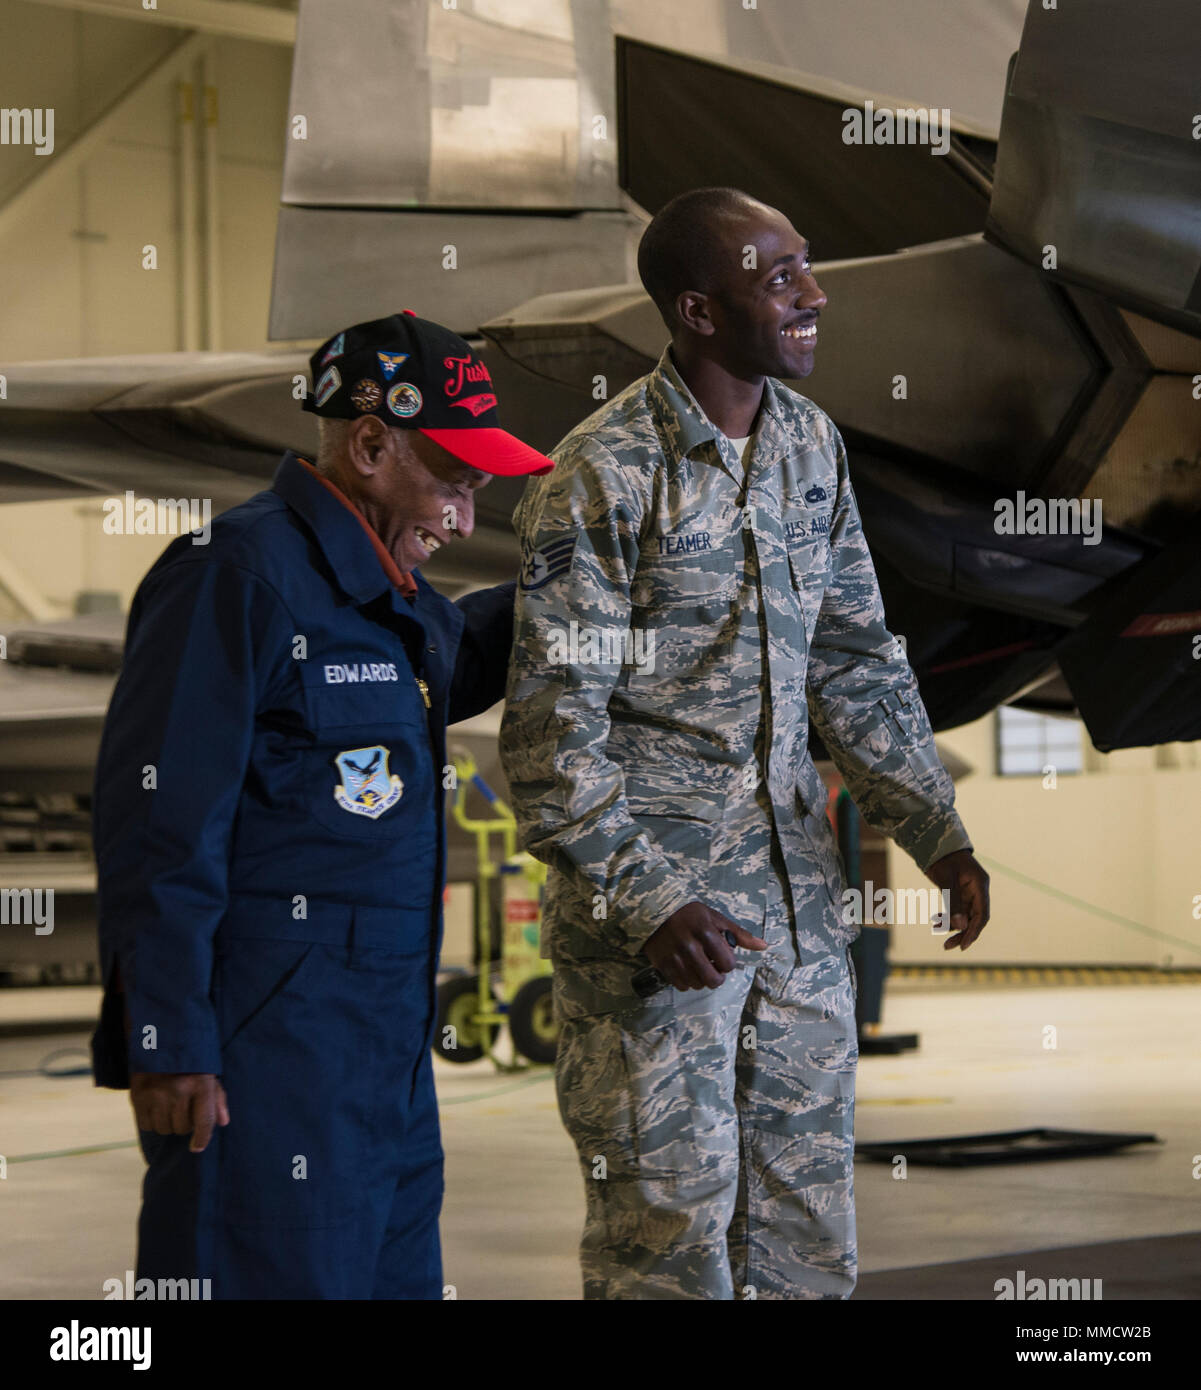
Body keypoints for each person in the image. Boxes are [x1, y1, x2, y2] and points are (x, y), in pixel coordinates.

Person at [499, 188, 991, 1300]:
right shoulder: (605, 471)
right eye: (778, 277)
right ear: (698, 310)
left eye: (804, 266)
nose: (812, 295)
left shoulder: (809, 447)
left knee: (806, 1228)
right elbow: (546, 734)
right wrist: (646, 902)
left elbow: (855, 658)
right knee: (665, 1241)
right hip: (660, 935)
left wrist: (936, 831)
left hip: (798, 915)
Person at [91, 311, 554, 1299]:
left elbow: (464, 652)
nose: (466, 517)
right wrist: (169, 1040)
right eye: (455, 480)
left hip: (385, 1063)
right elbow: (159, 822)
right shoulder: (235, 575)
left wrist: (573, 579)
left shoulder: (390, 601)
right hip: (265, 1060)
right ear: (372, 442)